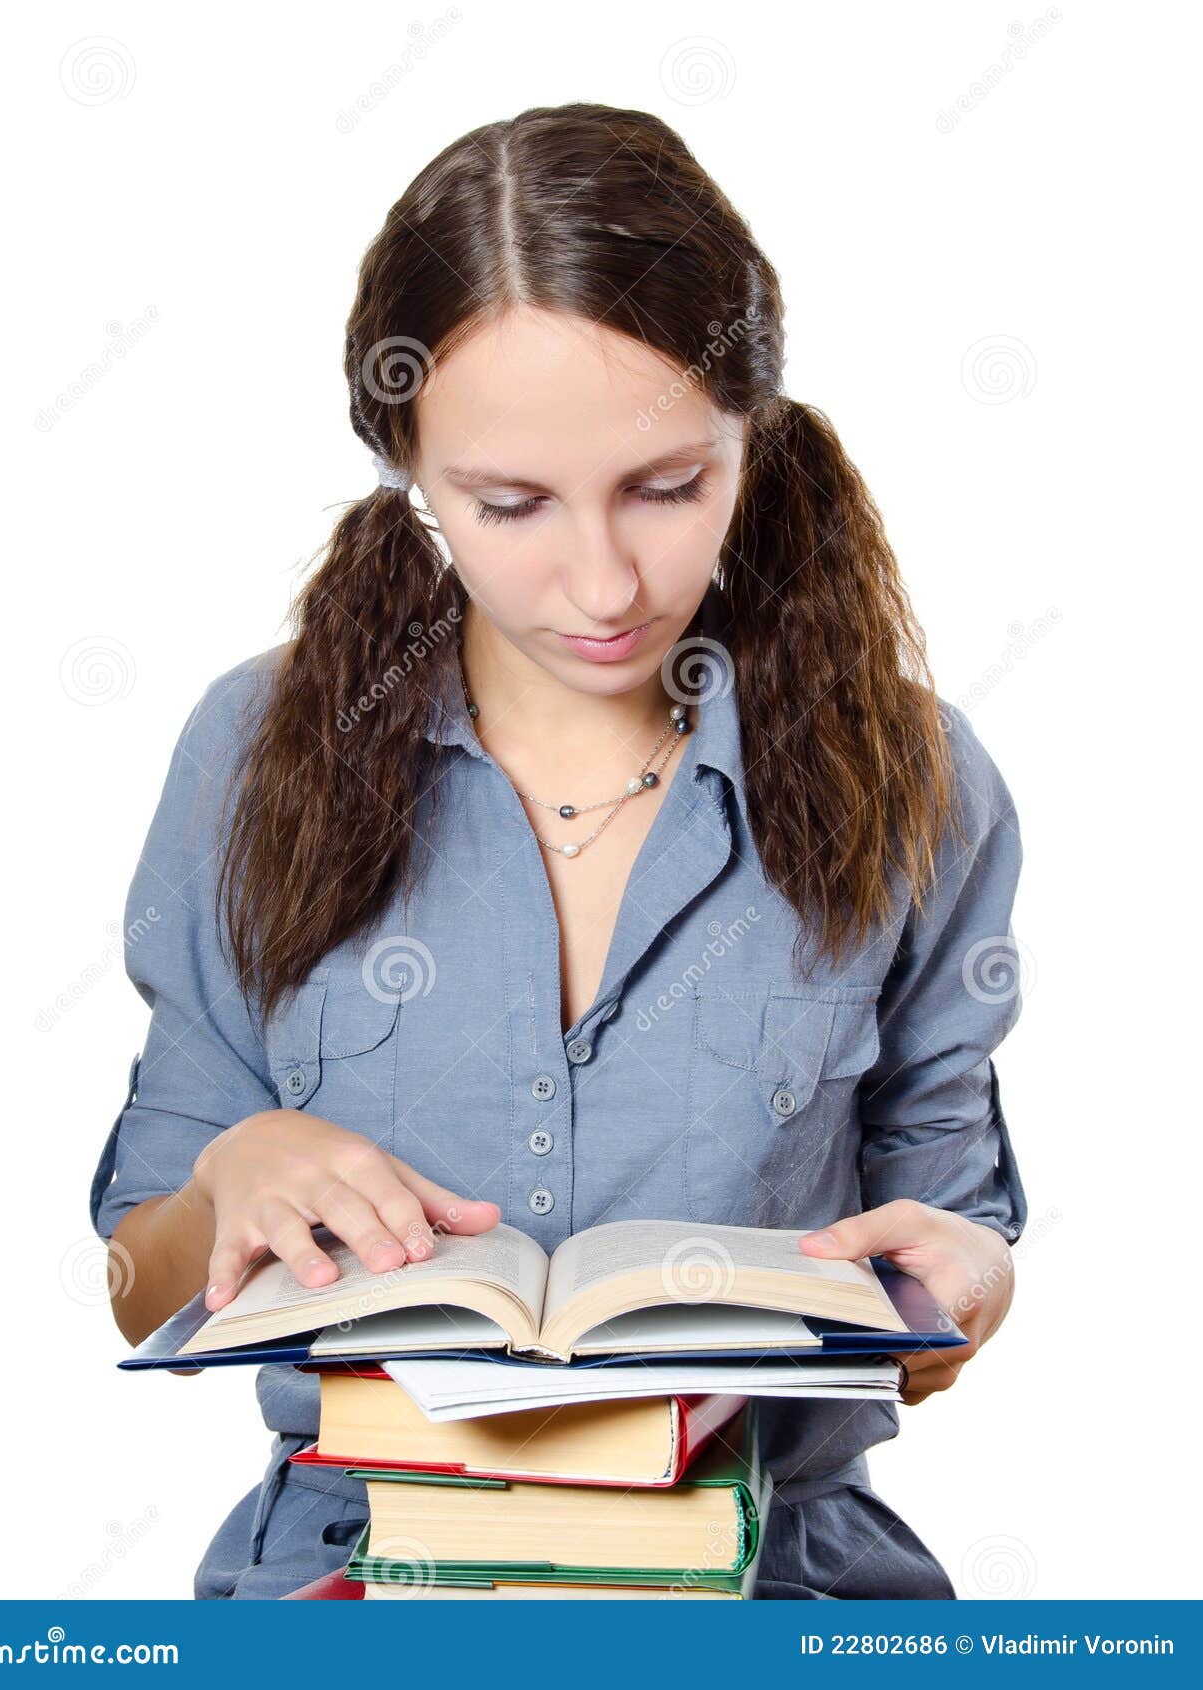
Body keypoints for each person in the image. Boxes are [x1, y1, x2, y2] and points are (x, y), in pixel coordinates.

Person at [89, 101, 1026, 1599]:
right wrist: (230, 1172)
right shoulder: (253, 750)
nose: (603, 584)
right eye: (510, 504)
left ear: (753, 437)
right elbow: (142, 1285)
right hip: (353, 1584)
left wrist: (967, 1288)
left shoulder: (915, 779)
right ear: (406, 459)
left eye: (669, 487)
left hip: (771, 1585)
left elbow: (948, 1258)